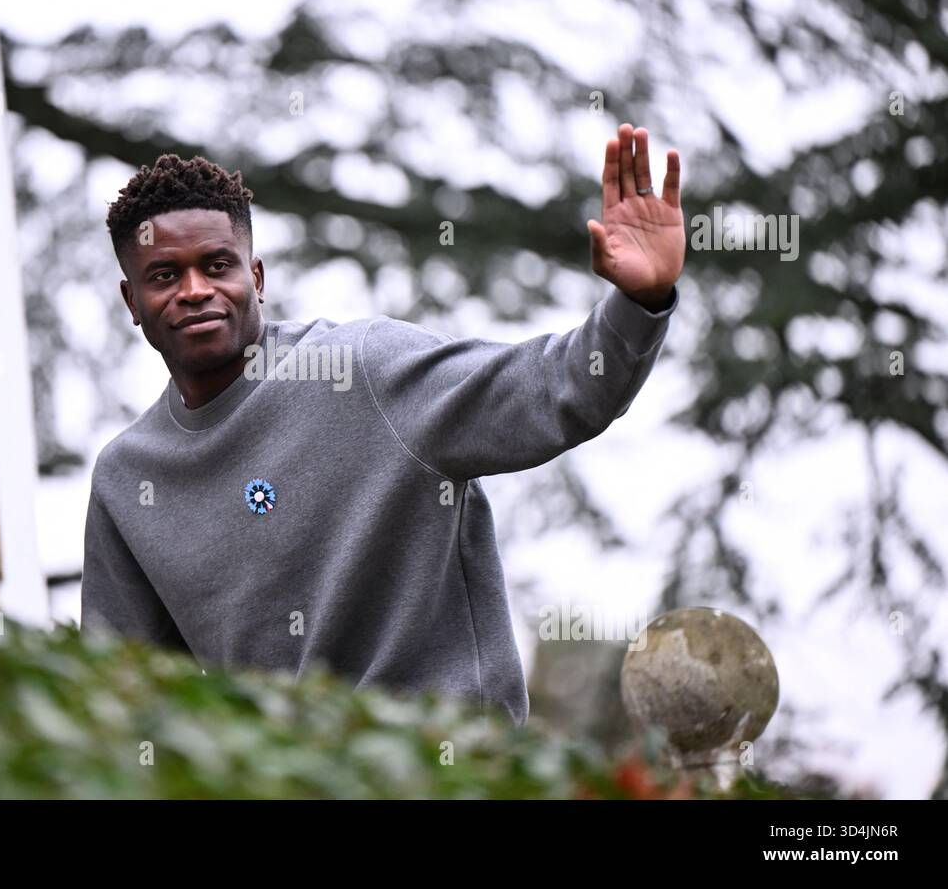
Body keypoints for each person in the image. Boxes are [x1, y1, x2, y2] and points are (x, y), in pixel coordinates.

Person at [81, 124, 684, 726]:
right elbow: (128, 696)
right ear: (131, 301)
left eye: (217, 265)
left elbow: (558, 389)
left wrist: (637, 303)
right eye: (164, 276)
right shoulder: (126, 479)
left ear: (256, 279)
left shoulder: (366, 370)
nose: (195, 290)